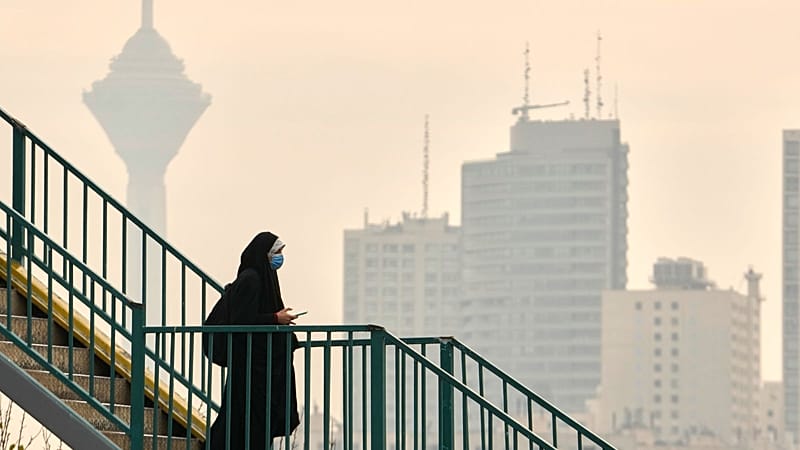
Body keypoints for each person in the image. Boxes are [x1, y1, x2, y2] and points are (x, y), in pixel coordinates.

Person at [209, 231, 301, 449]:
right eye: (277, 252)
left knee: (255, 421)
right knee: (247, 420)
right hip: (249, 367)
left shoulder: (263, 278)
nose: (280, 257)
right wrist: (275, 318)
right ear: (264, 254)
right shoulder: (251, 279)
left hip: (258, 366)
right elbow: (242, 322)